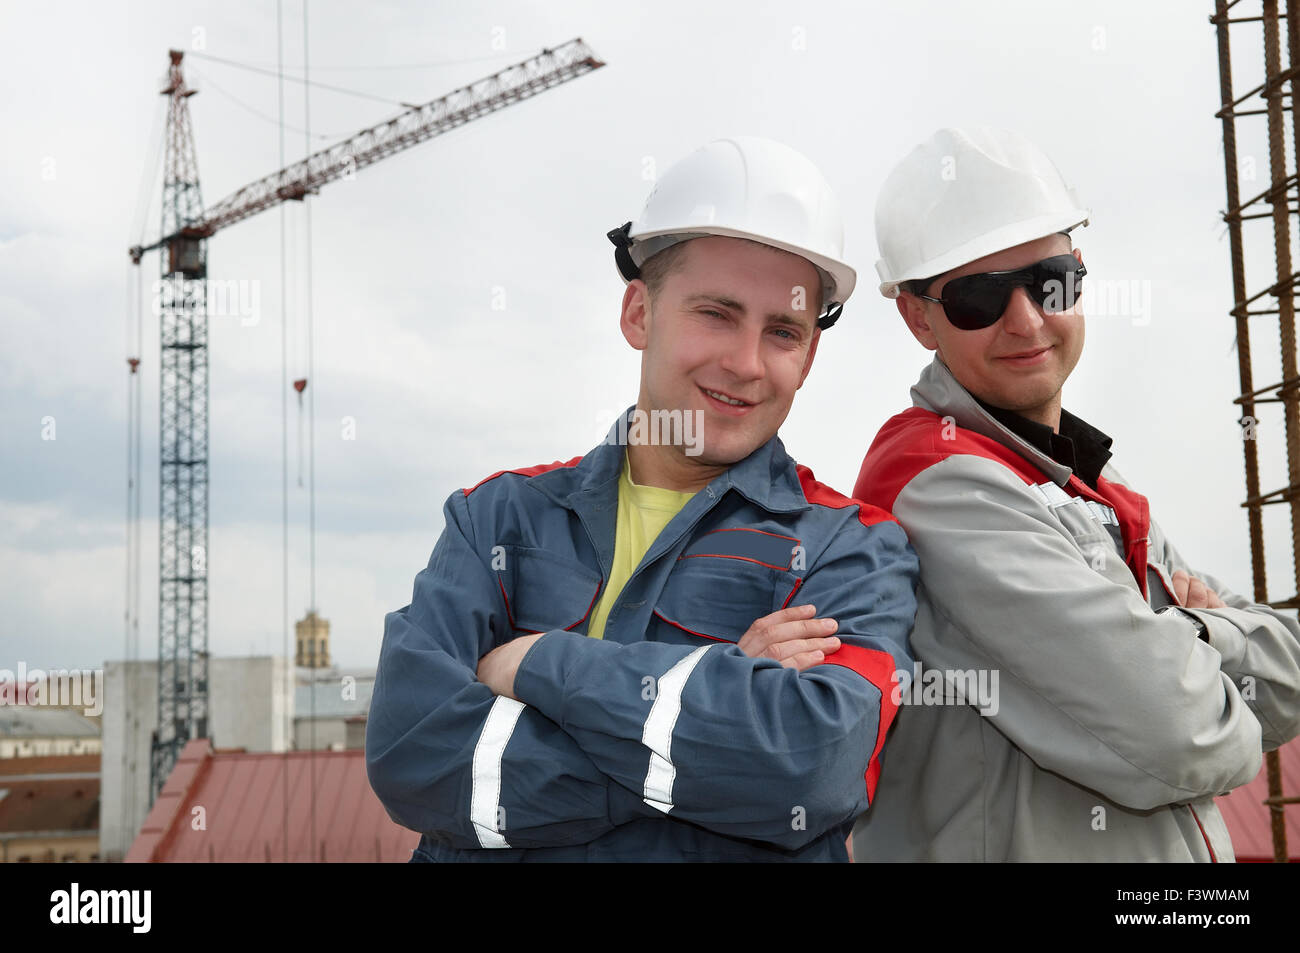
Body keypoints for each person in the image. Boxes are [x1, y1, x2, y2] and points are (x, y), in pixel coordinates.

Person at [366, 136, 918, 862]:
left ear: (808, 356)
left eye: (782, 331)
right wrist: (720, 705)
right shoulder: (494, 520)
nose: (746, 363)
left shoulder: (852, 547)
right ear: (638, 314)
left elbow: (808, 767)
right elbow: (412, 753)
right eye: (716, 314)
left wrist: (535, 664)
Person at [851, 126, 1300, 862]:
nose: (1026, 320)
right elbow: (1181, 733)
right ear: (917, 315)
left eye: (1049, 280)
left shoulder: (1090, 481)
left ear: (1080, 273)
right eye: (977, 297)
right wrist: (1203, 630)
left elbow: (1289, 683)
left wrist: (1186, 641)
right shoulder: (940, 487)